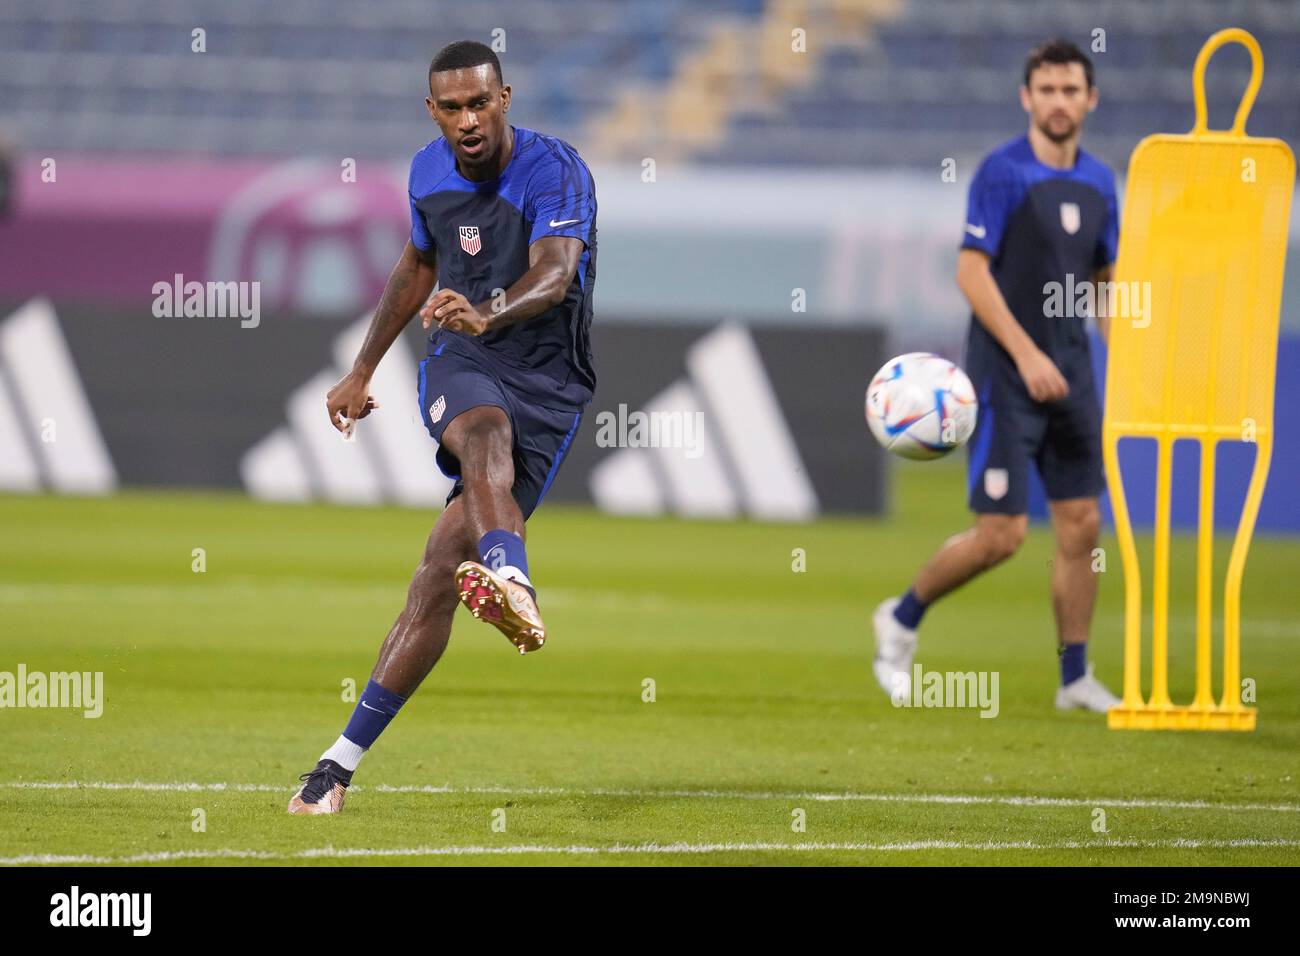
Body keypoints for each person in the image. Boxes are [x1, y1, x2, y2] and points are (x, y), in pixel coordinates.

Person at [289, 40, 597, 814]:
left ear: (506, 99)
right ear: (433, 112)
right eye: (452, 107)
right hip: (462, 357)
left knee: (435, 577)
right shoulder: (426, 172)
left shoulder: (555, 171)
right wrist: (361, 370)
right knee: (483, 434)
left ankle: (334, 769)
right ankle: (515, 579)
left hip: (551, 382)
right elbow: (417, 268)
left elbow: (557, 275)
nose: (467, 119)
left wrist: (489, 309)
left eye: (480, 103)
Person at [873, 38, 1121, 714]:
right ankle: (900, 618)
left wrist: (1120, 349)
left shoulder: (1101, 181)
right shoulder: (1002, 173)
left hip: (1073, 374)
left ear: (1090, 99)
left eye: (1071, 90)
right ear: (1027, 98)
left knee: (1081, 524)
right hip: (1007, 374)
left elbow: (1103, 278)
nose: (1059, 102)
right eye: (1047, 90)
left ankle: (1074, 677)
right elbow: (971, 271)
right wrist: (1028, 353)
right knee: (1002, 536)